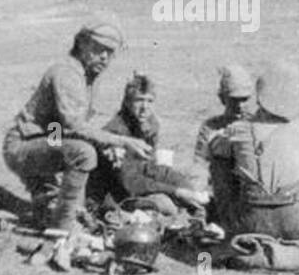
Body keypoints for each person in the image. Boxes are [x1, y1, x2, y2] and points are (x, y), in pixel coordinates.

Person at [1, 19, 151, 234]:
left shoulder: (88, 76)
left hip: (46, 141)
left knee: (46, 214)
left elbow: (58, 124)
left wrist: (68, 150)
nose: (105, 57)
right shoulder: (67, 73)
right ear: (82, 44)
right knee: (84, 154)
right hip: (23, 145)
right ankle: (63, 230)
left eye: (110, 53)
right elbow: (73, 125)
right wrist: (122, 141)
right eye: (99, 50)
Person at [208, 61, 299, 246]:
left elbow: (213, 148)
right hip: (294, 224)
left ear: (259, 98)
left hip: (247, 222)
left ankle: (224, 224)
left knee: (221, 159)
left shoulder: (238, 130)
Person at [87, 72, 208, 212]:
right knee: (166, 206)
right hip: (114, 196)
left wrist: (181, 185)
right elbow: (130, 183)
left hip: (139, 185)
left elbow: (150, 168)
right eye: (139, 100)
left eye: (149, 101)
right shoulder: (116, 132)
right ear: (127, 102)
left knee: (190, 188)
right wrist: (176, 191)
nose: (145, 107)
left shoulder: (149, 125)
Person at [191, 64, 258, 224]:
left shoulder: (257, 125)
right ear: (222, 98)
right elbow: (199, 164)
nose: (240, 106)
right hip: (223, 191)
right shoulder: (211, 127)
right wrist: (197, 194)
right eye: (234, 100)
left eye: (244, 99)